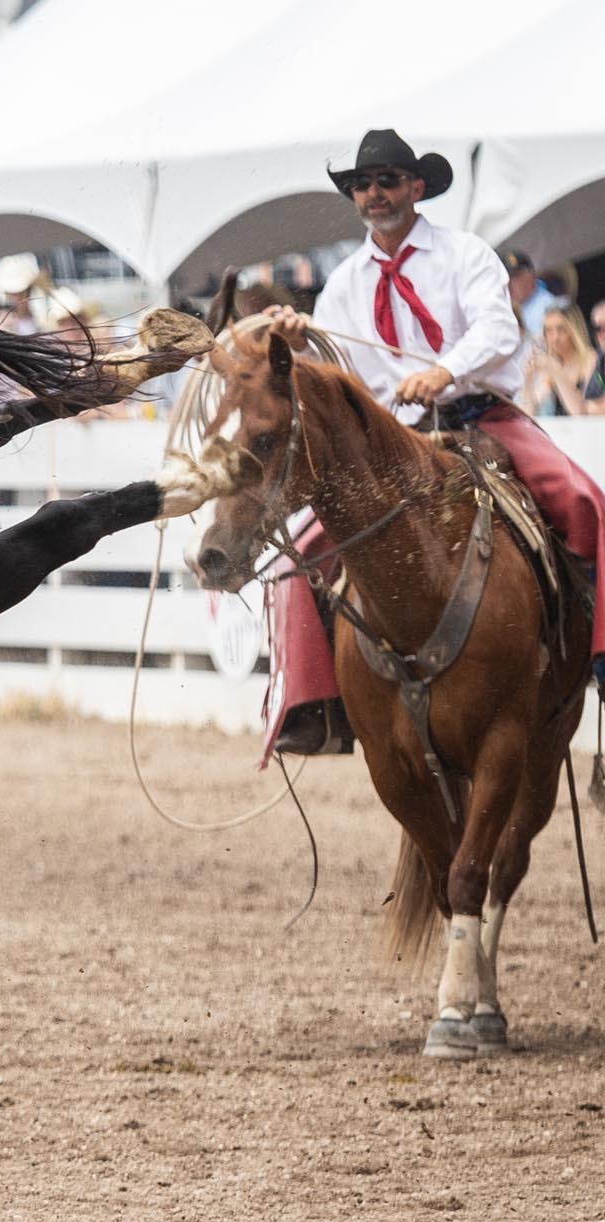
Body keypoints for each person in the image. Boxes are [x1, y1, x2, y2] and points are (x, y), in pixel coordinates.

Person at [262, 128, 605, 755]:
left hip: (480, 418)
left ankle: (597, 657)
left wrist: (444, 370)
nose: (374, 193)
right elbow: (339, 372)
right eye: (362, 184)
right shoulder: (341, 284)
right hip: (392, 442)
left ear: (417, 187)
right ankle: (315, 707)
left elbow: (500, 329)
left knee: (586, 503)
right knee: (295, 557)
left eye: (387, 180)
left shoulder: (465, 253)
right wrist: (300, 341)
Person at [519, 304, 600, 418]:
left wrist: (556, 370)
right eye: (548, 331)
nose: (555, 337)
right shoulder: (549, 366)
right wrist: (527, 381)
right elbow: (529, 414)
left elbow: (581, 412)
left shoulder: (591, 359)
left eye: (561, 329)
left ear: (574, 330)